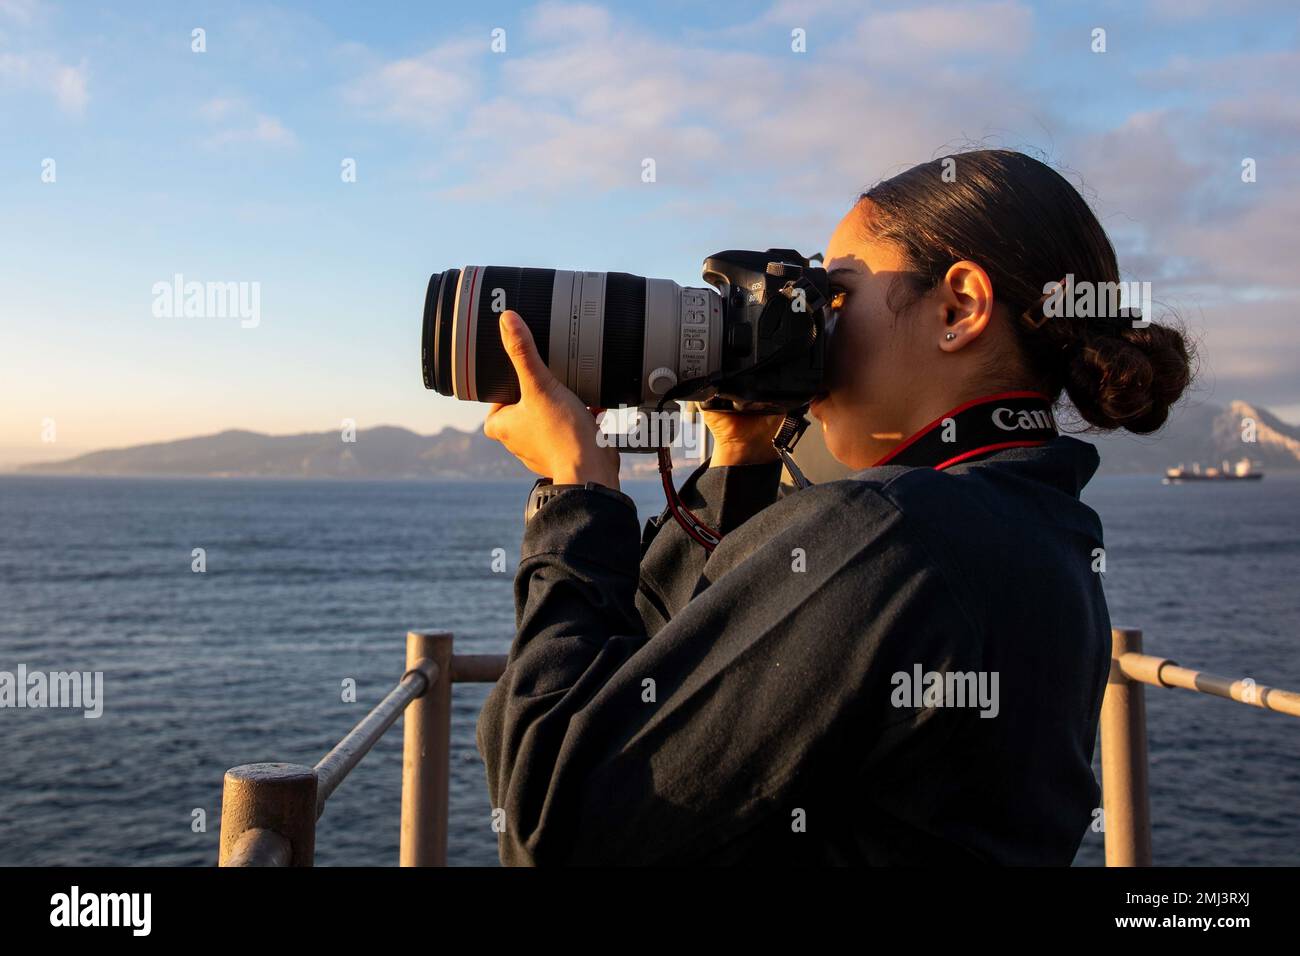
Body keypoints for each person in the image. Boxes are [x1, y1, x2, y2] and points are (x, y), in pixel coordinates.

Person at [475, 149, 1193, 865]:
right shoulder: (1036, 530)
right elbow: (659, 675)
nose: (816, 329)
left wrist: (576, 493)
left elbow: (549, 821)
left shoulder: (896, 533)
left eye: (838, 296)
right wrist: (742, 462)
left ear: (958, 308)